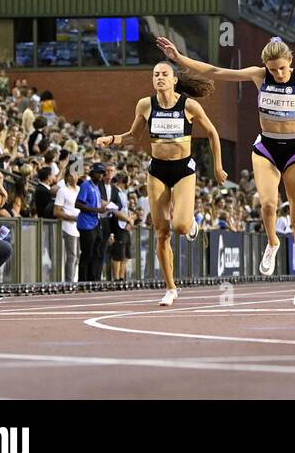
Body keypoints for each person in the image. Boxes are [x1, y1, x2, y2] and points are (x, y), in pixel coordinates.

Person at [155, 35, 295, 307]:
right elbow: (217, 72)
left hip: (294, 152)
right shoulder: (258, 75)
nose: (278, 74)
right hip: (265, 148)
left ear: (290, 61)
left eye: (282, 68)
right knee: (268, 204)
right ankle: (273, 242)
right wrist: (178, 58)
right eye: (273, 69)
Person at [96, 60, 226, 306]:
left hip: (183, 169)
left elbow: (212, 133)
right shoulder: (145, 105)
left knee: (179, 226)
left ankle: (190, 224)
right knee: (161, 231)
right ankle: (170, 287)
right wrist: (111, 139)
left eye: (164, 74)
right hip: (157, 169)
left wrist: (218, 167)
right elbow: (133, 137)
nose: (159, 78)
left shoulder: (189, 105)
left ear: (175, 80)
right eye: (155, 74)